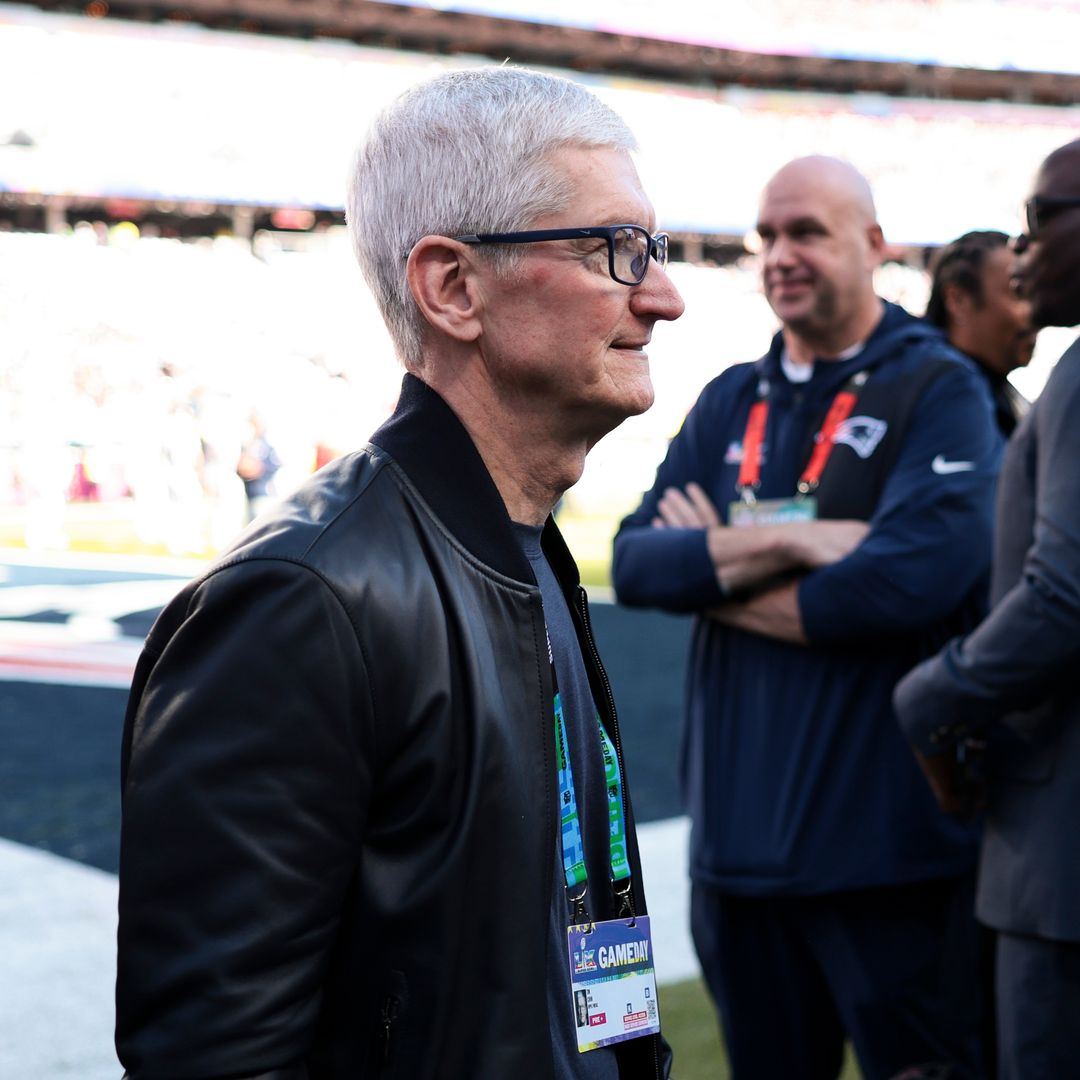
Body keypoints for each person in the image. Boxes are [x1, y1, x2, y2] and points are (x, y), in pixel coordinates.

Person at [115, 67, 684, 1080]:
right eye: (616, 249)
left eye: (655, 248)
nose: (665, 296)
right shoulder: (301, 600)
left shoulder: (522, 542)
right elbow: (213, 1054)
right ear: (453, 287)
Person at [612, 156, 999, 1080]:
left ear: (874, 245)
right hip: (738, 868)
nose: (781, 253)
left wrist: (715, 568)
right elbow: (636, 563)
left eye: (808, 232)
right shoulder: (731, 397)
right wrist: (803, 539)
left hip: (892, 866)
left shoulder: (939, 389)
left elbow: (906, 583)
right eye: (769, 235)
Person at [894, 138, 1080, 1079]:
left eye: (1039, 221)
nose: (1025, 249)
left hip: (1058, 869)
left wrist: (928, 698)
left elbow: (1061, 597)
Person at [924, 230, 1037, 436]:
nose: (1033, 313)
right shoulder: (944, 397)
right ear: (957, 300)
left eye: (1033, 295)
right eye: (1018, 292)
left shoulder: (994, 393)